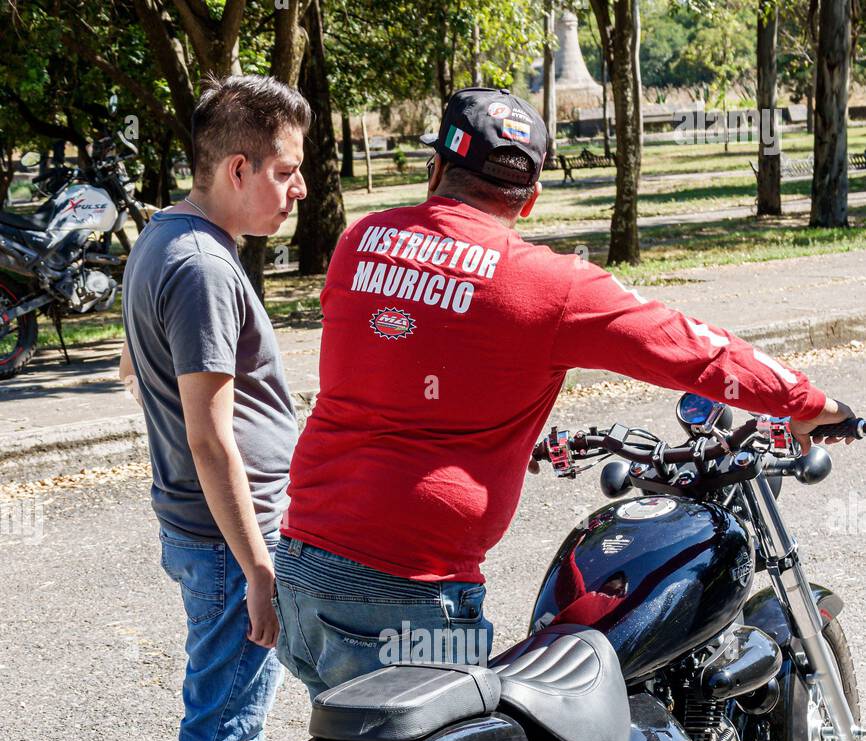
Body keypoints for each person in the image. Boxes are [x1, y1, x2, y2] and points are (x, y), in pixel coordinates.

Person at [273, 87, 855, 701]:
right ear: (530, 201)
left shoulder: (357, 243)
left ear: (436, 168)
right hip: (412, 597)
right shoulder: (548, 286)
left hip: (303, 569)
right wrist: (811, 404)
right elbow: (692, 348)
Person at [121, 74, 309, 741]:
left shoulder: (166, 235)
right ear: (237, 168)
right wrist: (259, 564)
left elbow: (137, 372)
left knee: (237, 702)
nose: (298, 188)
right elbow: (210, 439)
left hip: (210, 530)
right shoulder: (199, 267)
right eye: (285, 170)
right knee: (224, 710)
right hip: (232, 535)